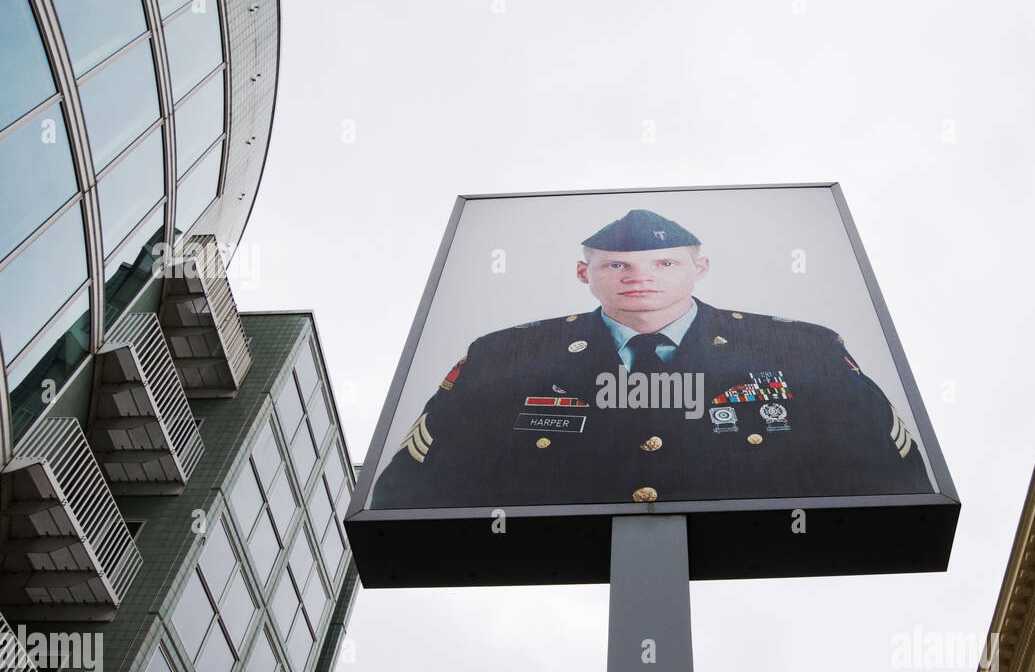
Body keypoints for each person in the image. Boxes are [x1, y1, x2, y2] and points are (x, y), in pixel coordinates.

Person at [371, 208, 930, 508]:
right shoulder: (504, 355)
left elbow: (892, 473)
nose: (640, 278)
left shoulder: (801, 348)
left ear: (698, 269)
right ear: (583, 273)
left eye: (664, 264)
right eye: (617, 266)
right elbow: (410, 490)